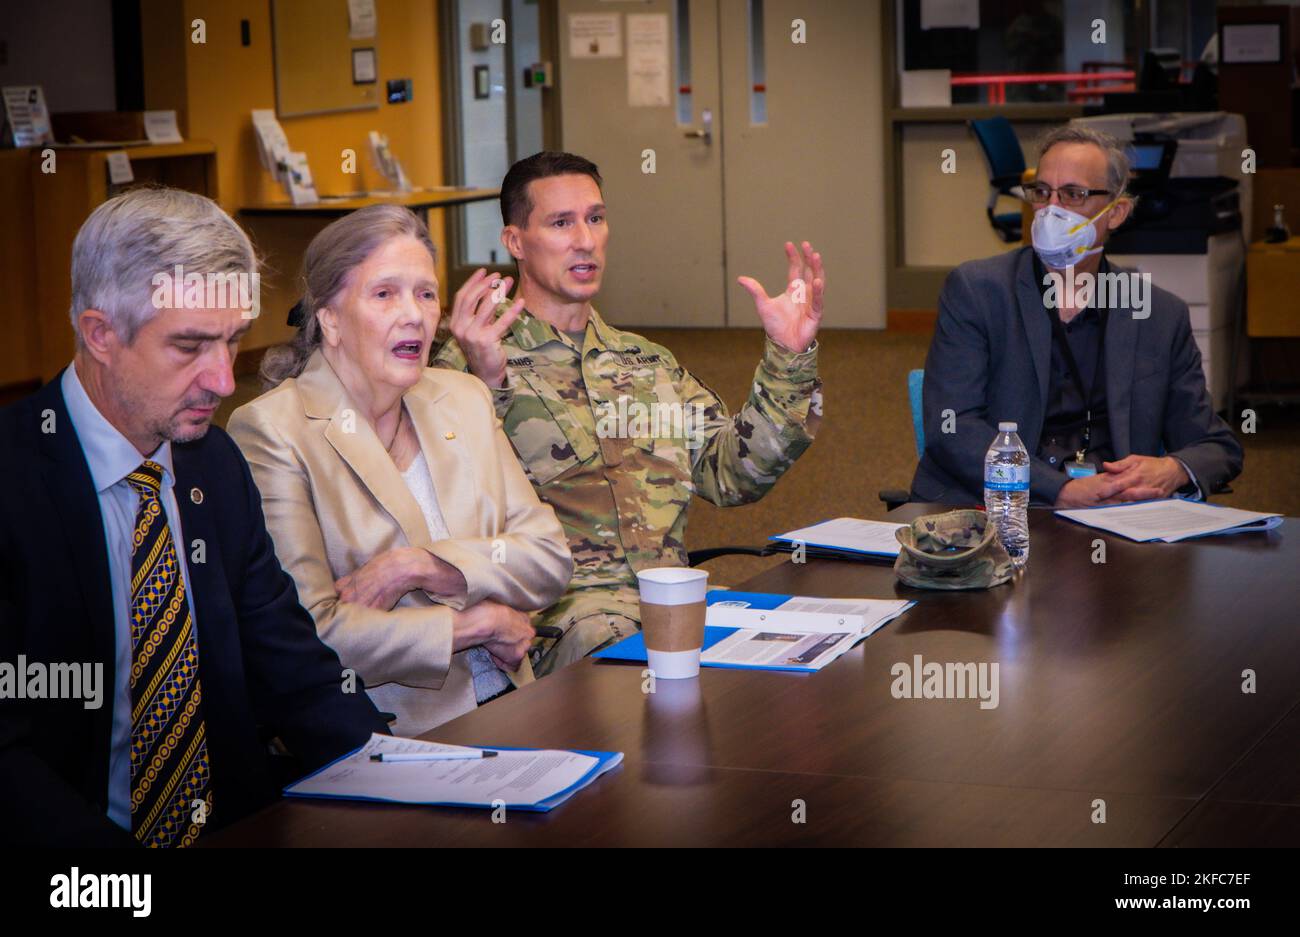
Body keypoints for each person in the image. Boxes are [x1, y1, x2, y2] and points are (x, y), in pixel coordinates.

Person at [0, 187, 389, 847]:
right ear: (100, 335)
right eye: (189, 346)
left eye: (232, 340)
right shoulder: (13, 481)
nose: (222, 379)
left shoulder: (213, 463)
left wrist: (407, 779)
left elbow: (294, 671)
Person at [433, 151, 825, 675]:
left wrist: (787, 357)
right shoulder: (473, 356)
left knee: (812, 645)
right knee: (643, 676)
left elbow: (734, 474)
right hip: (560, 621)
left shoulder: (645, 360)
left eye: (595, 218)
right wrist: (486, 386)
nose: (585, 239)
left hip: (670, 601)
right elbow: (443, 498)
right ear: (515, 242)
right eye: (561, 222)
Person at [228, 206, 572, 736]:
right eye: (385, 294)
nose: (414, 314)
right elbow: (312, 632)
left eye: (426, 294)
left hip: (514, 699)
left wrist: (421, 567)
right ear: (330, 318)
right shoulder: (273, 430)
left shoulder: (462, 396)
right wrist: (472, 624)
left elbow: (549, 557)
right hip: (394, 731)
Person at [910, 125, 1242, 507]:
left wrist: (1175, 469)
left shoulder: (1160, 315)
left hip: (1115, 515)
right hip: (1000, 508)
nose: (1052, 210)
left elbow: (1216, 445)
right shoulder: (977, 290)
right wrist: (1060, 489)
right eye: (1042, 193)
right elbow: (953, 429)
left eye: (1073, 195)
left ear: (1115, 213)